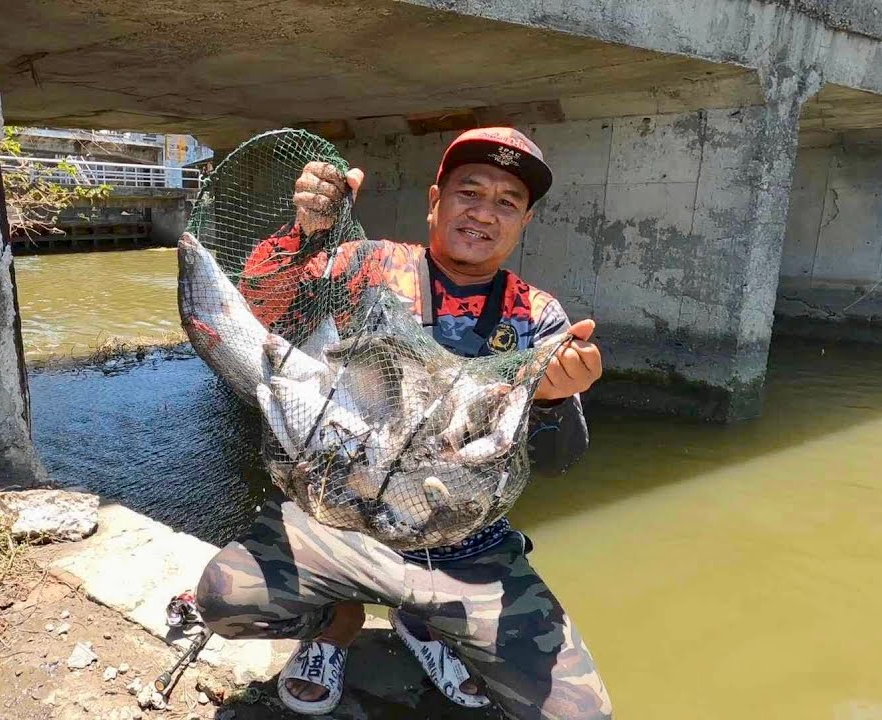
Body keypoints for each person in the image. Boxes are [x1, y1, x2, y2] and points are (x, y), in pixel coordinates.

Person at [194, 127, 611, 719]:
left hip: (466, 547)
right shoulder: (366, 265)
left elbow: (557, 459)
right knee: (222, 599)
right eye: (470, 191)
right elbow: (258, 317)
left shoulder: (539, 318)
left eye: (506, 202)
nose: (484, 212)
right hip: (334, 520)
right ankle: (337, 623)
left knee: (580, 714)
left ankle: (426, 623)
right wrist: (305, 233)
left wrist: (552, 401)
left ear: (525, 222)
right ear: (435, 199)